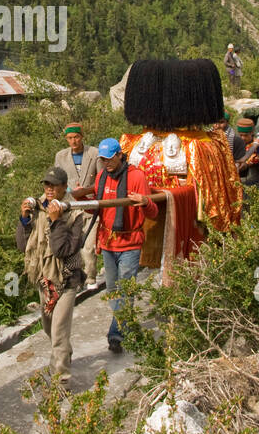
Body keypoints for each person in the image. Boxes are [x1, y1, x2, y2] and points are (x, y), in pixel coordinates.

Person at [17, 167, 89, 384]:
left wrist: (56, 221)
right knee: (48, 328)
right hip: (45, 279)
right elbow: (23, 245)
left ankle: (61, 381)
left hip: (67, 278)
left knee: (58, 332)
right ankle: (64, 353)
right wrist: (24, 220)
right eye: (46, 185)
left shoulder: (75, 214)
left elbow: (63, 250)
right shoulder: (38, 208)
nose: (49, 189)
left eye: (54, 185)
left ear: (64, 187)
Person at [91, 137, 158, 354]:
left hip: (129, 243)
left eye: (110, 159)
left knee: (125, 289)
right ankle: (126, 325)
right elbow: (98, 212)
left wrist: (146, 202)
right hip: (108, 243)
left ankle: (115, 334)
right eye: (103, 159)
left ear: (120, 155)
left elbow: (153, 212)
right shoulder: (101, 176)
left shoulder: (136, 176)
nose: (107, 163)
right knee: (112, 289)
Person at [54, 122, 100, 287]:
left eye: (76, 137)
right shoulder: (61, 156)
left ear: (82, 137)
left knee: (89, 246)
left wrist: (86, 190)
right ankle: (76, 279)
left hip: (90, 206)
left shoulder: (94, 153)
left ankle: (91, 277)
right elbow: (57, 180)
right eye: (70, 138)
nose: (73, 141)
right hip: (71, 207)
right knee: (73, 245)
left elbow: (102, 179)